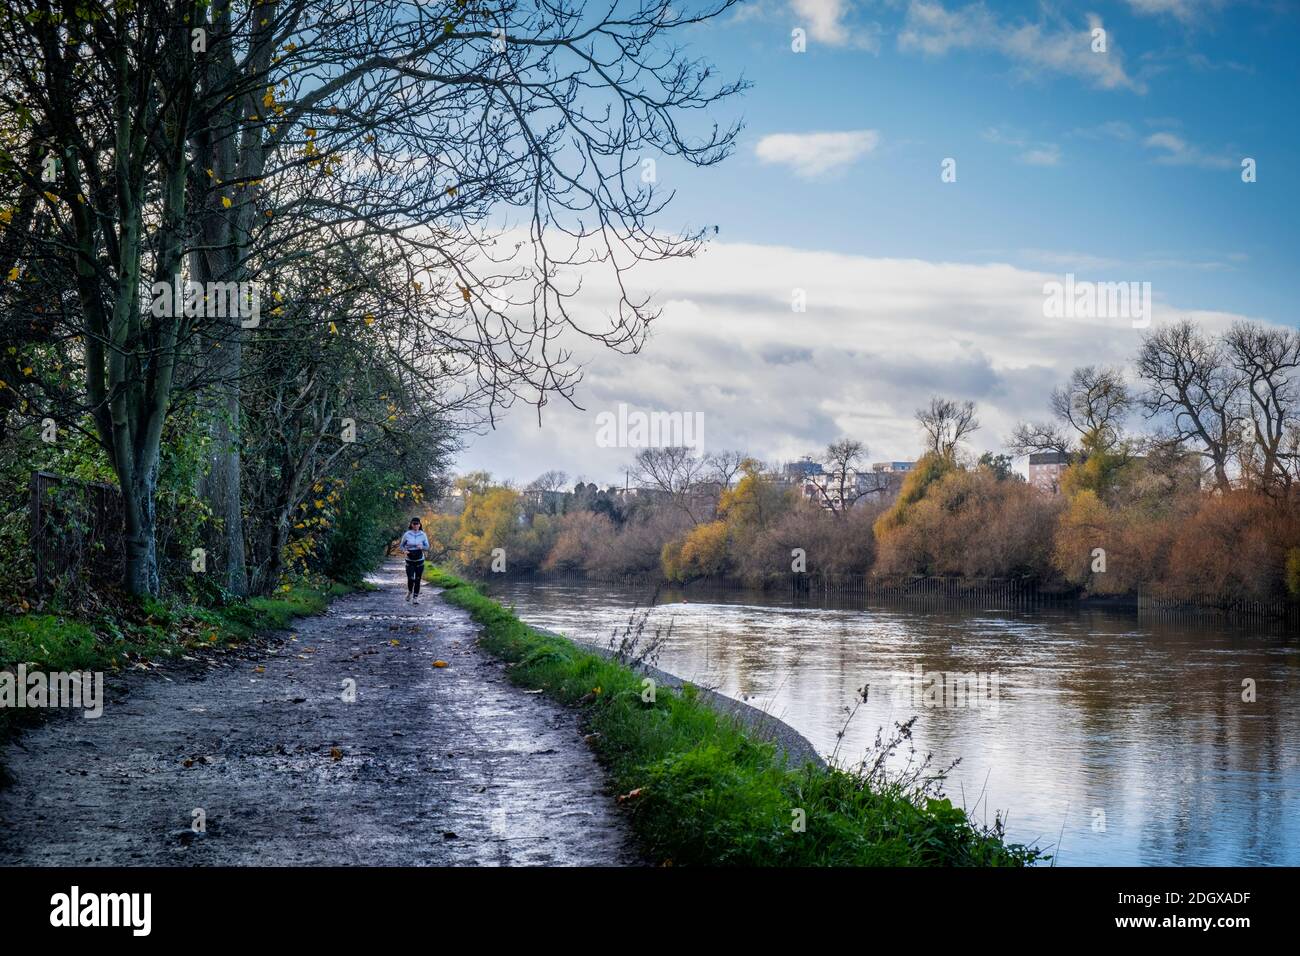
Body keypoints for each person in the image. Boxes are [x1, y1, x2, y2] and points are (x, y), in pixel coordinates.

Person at [399, 517, 429, 604]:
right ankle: (409, 592)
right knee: (411, 578)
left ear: (420, 525)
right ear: (411, 525)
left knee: (418, 579)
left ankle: (415, 598)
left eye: (417, 524)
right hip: (409, 559)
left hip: (420, 559)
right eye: (414, 524)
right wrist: (404, 551)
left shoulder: (423, 535)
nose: (416, 525)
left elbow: (427, 547)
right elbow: (401, 546)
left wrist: (422, 547)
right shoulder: (407, 534)